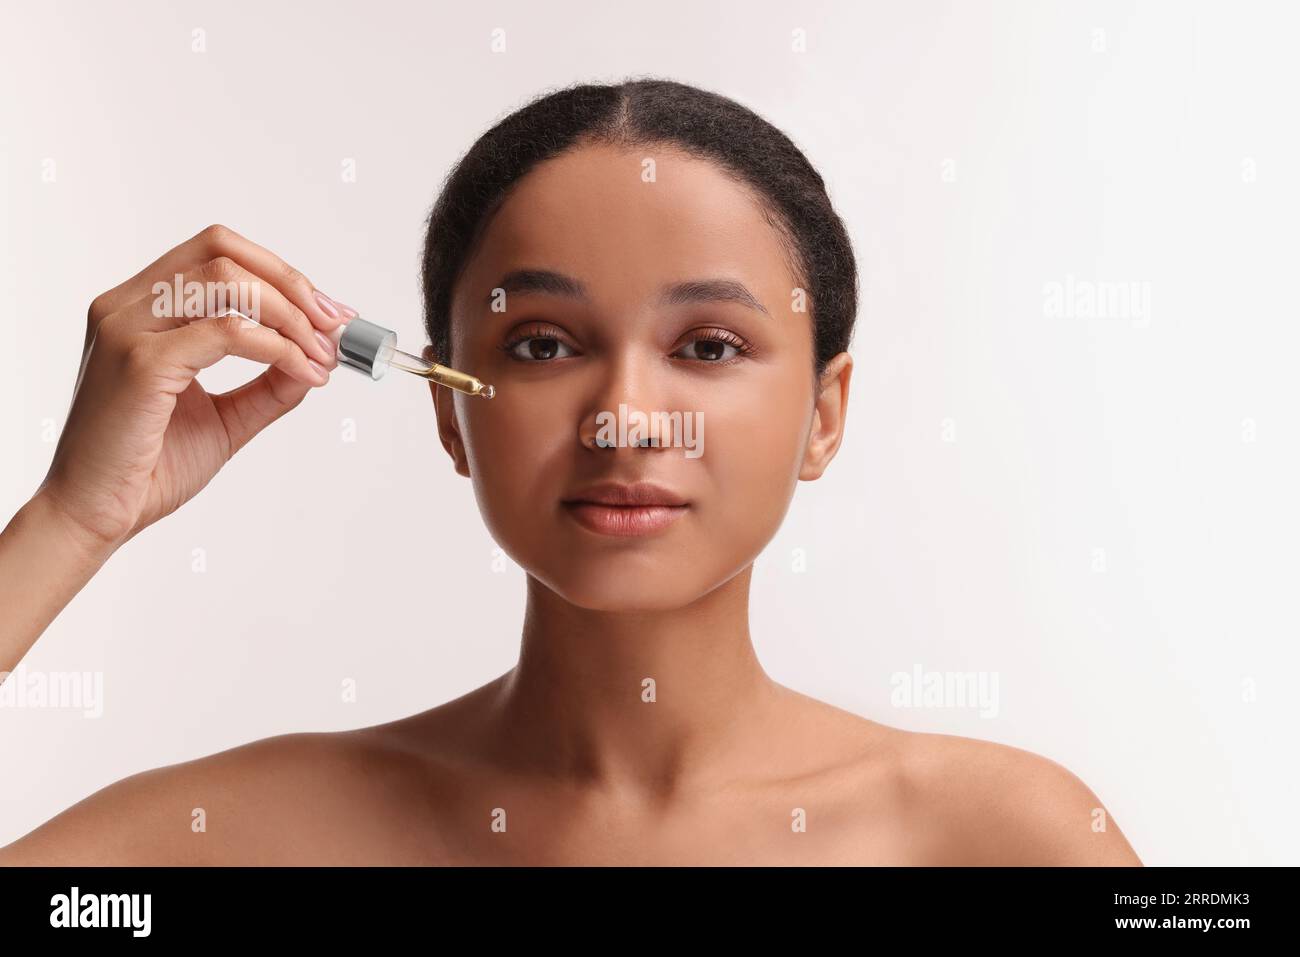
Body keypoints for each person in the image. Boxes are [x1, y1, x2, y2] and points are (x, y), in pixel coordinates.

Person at [0, 78, 1141, 865]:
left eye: (707, 347)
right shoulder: (237, 837)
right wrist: (70, 519)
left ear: (822, 416)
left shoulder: (998, 839)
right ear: (448, 410)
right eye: (542, 345)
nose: (625, 420)